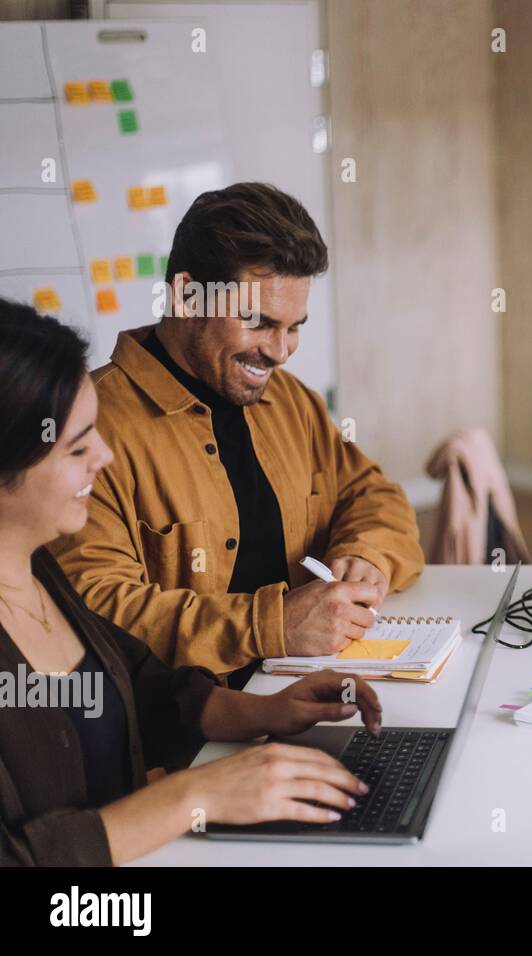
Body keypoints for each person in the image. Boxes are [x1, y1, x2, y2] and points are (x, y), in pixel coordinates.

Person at [0, 298, 380, 865]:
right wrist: (196, 793)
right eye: (78, 446)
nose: (103, 455)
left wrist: (264, 711)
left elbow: (138, 686)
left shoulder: (38, 569)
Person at [51, 183, 425, 685]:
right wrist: (270, 626)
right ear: (187, 296)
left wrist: (366, 553)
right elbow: (93, 611)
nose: (280, 351)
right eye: (257, 322)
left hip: (312, 685)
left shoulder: (290, 400)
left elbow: (371, 492)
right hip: (187, 739)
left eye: (294, 327)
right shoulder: (87, 425)